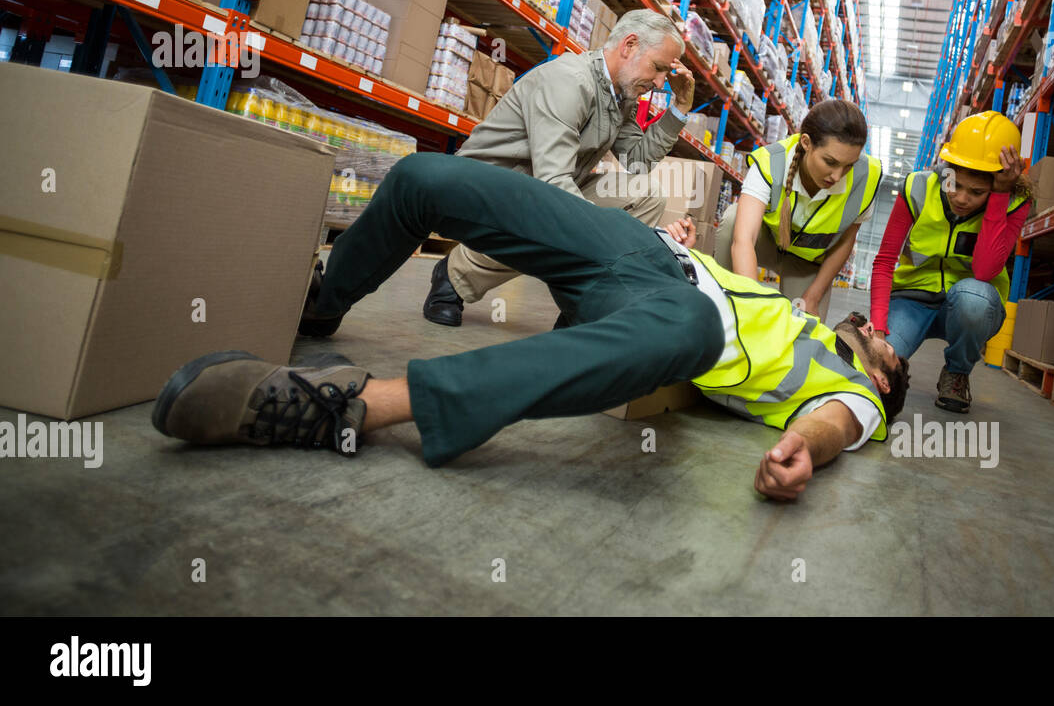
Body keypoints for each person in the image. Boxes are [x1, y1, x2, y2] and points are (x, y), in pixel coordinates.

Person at [153, 151, 910, 501]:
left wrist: (800, 454)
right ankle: (321, 307)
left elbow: (835, 426)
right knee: (426, 179)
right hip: (641, 254)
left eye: (884, 343)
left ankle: (348, 407)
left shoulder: (855, 393)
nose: (875, 328)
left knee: (691, 330)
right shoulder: (800, 315)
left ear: (883, 375)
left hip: (670, 317)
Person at [421, 9, 694, 327]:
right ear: (629, 45)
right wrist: (607, 236)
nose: (660, 83)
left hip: (543, 188)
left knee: (645, 196)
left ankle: (585, 302)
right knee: (565, 221)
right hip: (488, 189)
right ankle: (454, 275)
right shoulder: (570, 81)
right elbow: (553, 182)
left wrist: (679, 108)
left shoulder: (622, 96)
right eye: (658, 68)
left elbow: (637, 162)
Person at [868, 111, 1033, 415]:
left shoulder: (1014, 203)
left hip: (973, 305)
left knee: (973, 299)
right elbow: (885, 261)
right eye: (955, 184)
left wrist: (997, 198)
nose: (961, 198)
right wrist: (878, 329)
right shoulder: (918, 188)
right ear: (947, 167)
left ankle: (957, 373)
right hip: (912, 300)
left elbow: (985, 270)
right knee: (878, 369)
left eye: (976, 192)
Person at [713, 99, 883, 320]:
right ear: (806, 142)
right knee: (733, 219)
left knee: (803, 332)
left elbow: (845, 242)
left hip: (808, 265)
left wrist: (812, 297)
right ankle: (726, 301)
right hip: (767, 244)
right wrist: (751, 303)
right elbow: (744, 239)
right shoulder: (771, 162)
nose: (837, 176)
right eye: (830, 162)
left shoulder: (865, 178)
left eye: (848, 165)